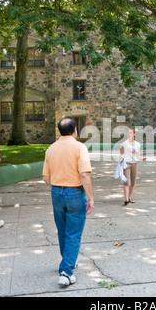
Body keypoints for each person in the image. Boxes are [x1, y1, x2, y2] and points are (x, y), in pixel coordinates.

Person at [42, 116, 94, 287]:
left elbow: (45, 177)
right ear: (75, 130)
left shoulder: (51, 148)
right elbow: (84, 175)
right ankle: (66, 272)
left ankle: (67, 261)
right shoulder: (80, 147)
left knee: (62, 230)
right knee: (74, 233)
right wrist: (91, 197)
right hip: (74, 193)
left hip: (56, 192)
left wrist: (58, 188)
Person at [119, 128, 146, 205]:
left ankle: (130, 197)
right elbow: (121, 153)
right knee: (127, 182)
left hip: (135, 164)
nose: (129, 134)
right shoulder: (124, 143)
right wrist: (121, 159)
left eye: (131, 133)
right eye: (128, 133)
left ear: (134, 134)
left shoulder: (138, 144)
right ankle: (126, 199)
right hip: (126, 164)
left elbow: (138, 156)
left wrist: (142, 158)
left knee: (133, 183)